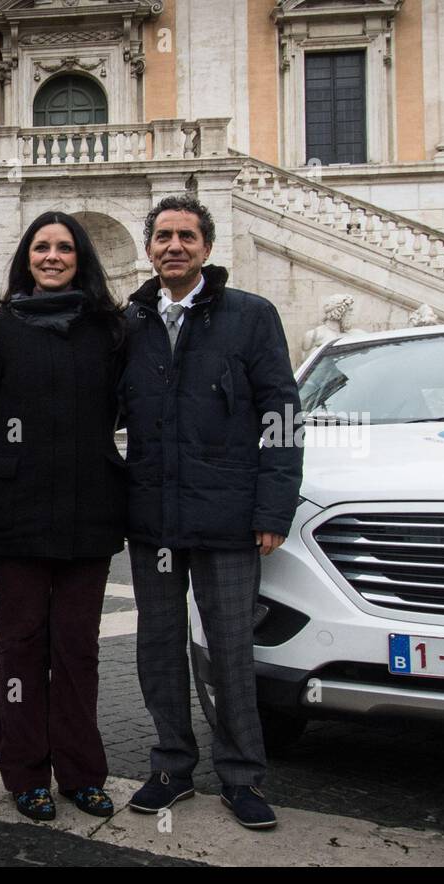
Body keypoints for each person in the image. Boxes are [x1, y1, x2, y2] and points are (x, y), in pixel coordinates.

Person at [123, 195, 303, 830]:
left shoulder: (250, 317)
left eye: (187, 237)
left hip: (229, 518)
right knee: (159, 646)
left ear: (206, 247)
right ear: (148, 248)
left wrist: (274, 505)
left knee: (230, 649)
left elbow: (281, 414)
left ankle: (242, 777)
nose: (175, 246)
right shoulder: (132, 322)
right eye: (164, 236)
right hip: (153, 520)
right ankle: (171, 766)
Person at [0, 211, 127, 822]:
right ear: (26, 258)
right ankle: (26, 774)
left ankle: (83, 773)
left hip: (90, 512)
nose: (53, 256)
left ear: (80, 257)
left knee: (78, 650)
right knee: (21, 648)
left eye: (64, 247)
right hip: (18, 514)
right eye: (42, 247)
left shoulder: (110, 330)